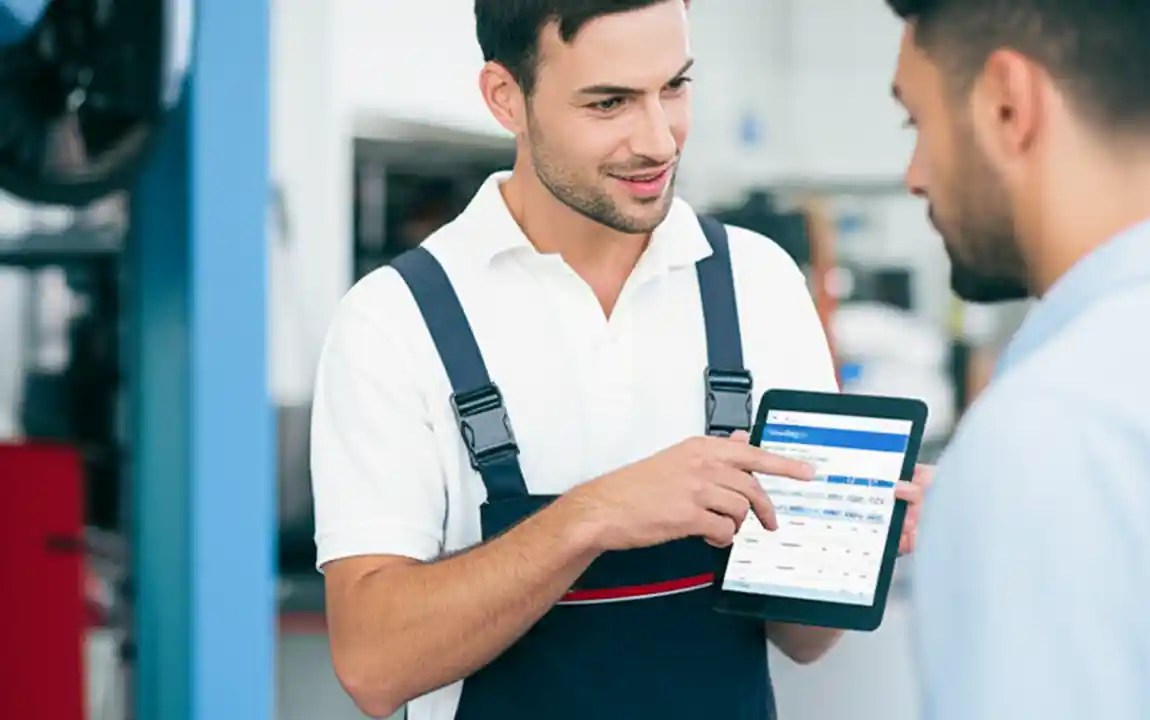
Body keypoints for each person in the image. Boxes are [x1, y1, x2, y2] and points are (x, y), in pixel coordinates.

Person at [309, 1, 930, 718]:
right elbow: (373, 665)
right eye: (610, 103)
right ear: (505, 97)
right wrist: (595, 516)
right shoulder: (394, 321)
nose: (659, 139)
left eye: (674, 87)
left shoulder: (759, 285)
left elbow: (804, 639)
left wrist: (856, 547)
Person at [885, 0, 1150, 718]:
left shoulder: (1053, 437)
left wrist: (1021, 503)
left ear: (1008, 105)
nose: (915, 174)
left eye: (918, 123)